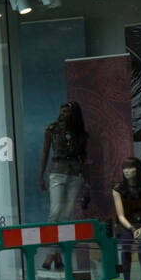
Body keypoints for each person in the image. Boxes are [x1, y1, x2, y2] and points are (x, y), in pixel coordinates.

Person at [38, 100, 90, 268]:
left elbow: (84, 159)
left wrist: (87, 183)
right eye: (62, 111)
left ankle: (56, 254)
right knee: (55, 213)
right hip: (57, 171)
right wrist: (41, 175)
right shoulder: (51, 130)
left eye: (67, 112)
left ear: (74, 114)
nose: (63, 114)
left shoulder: (81, 134)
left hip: (75, 174)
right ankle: (51, 253)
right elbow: (45, 152)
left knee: (66, 216)